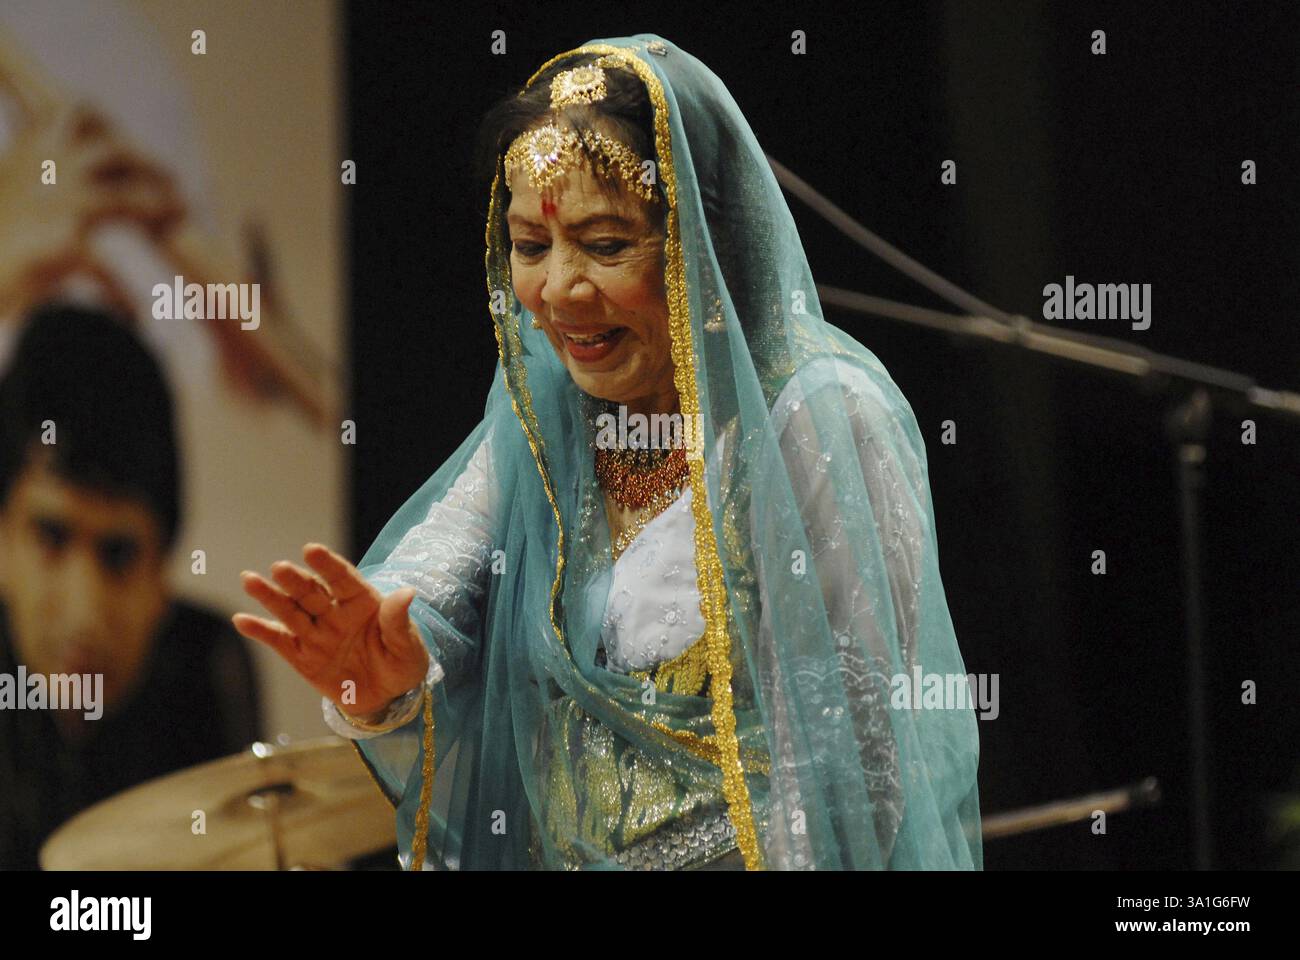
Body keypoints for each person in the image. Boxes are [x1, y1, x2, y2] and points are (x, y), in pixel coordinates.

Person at [234, 34, 982, 870]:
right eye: (530, 246)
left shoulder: (815, 418)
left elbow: (851, 778)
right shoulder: (546, 409)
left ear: (704, 246)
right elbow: (427, 591)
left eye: (605, 244)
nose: (558, 292)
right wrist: (380, 669)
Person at [0, 304, 261, 870]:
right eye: (50, 536)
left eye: (118, 554)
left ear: (162, 576)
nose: (84, 611)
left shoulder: (206, 665)